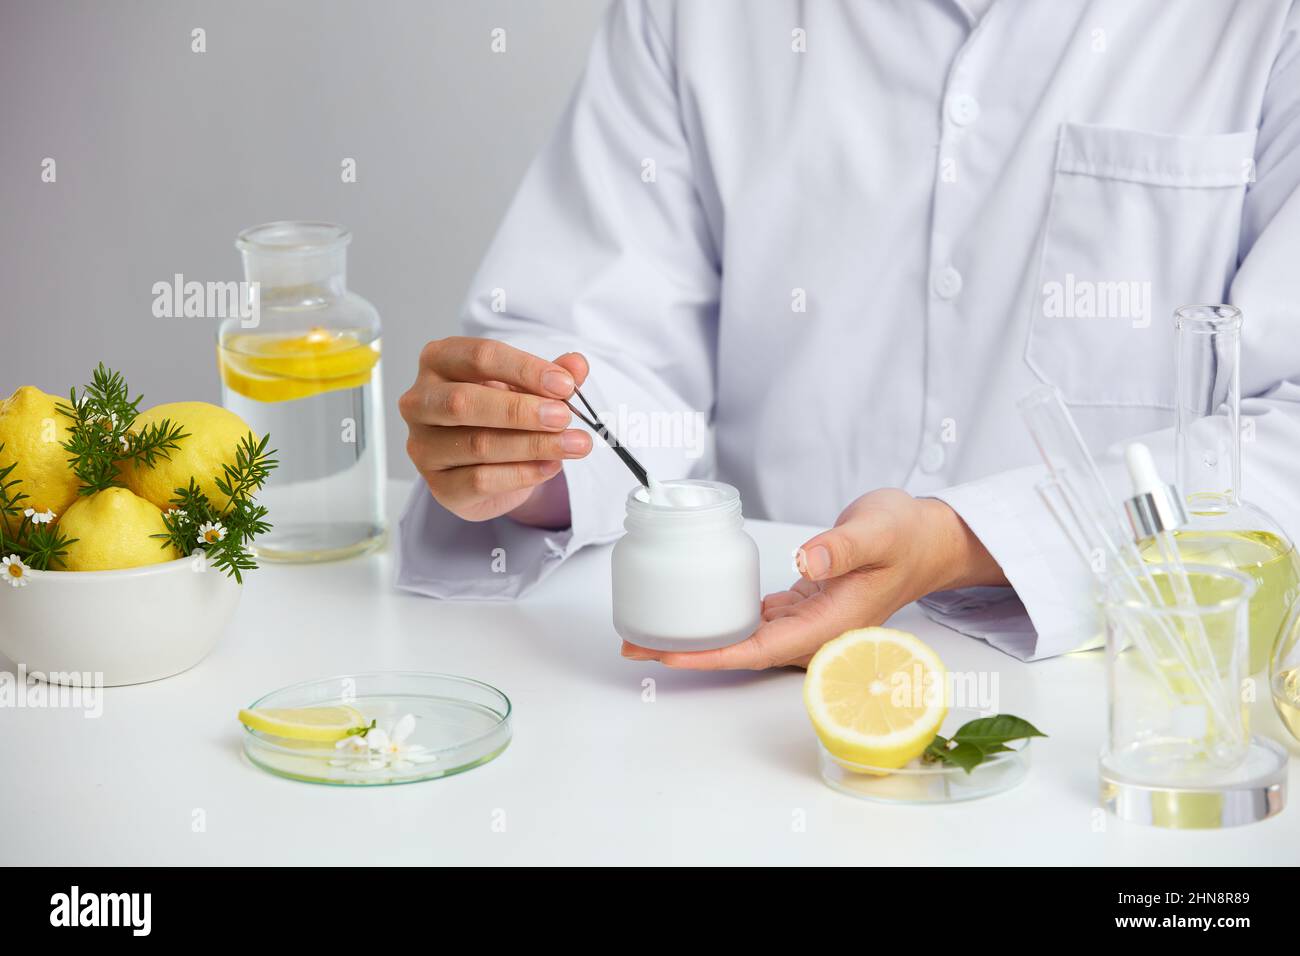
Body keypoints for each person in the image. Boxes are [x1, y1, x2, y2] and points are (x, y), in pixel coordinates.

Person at [397, 0, 1300, 668]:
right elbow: (607, 347)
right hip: (766, 696)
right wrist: (523, 457)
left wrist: (963, 542)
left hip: (1143, 699)